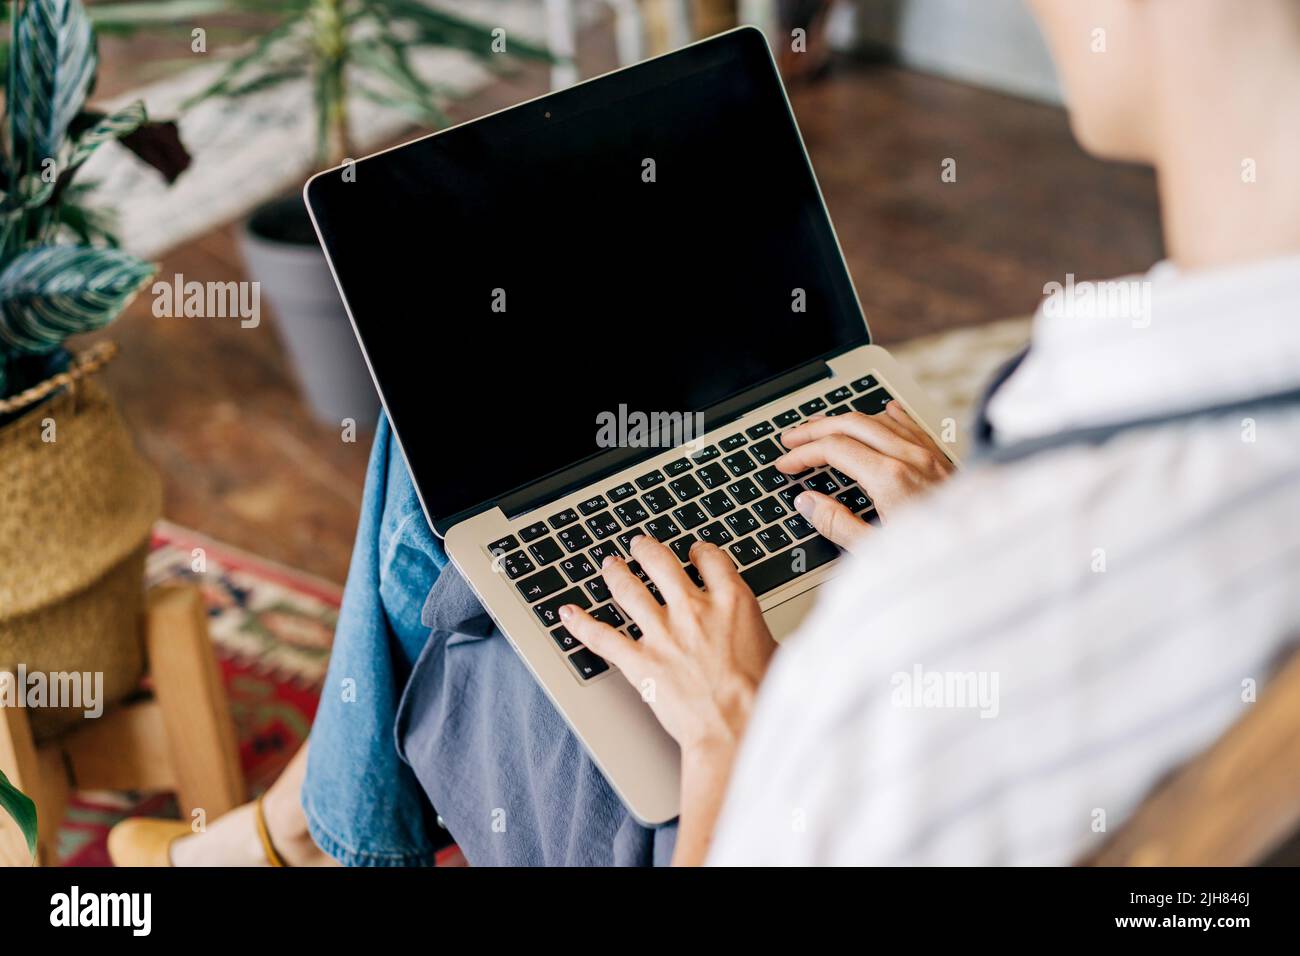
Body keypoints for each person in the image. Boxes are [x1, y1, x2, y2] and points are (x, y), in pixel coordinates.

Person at [111, 0, 1300, 866]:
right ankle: (301, 835)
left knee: (462, 529)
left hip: (734, 800)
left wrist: (733, 726)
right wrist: (975, 534)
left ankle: (311, 838)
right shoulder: (1163, 486)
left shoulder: (935, 625)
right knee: (481, 464)